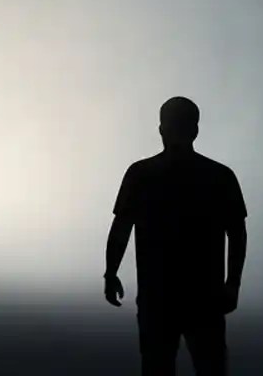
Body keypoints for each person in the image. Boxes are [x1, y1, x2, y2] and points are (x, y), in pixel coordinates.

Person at [103, 96, 247, 376]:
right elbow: (237, 233)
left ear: (160, 129)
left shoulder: (141, 174)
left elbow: (121, 227)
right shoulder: (219, 176)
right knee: (210, 367)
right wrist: (232, 284)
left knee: (159, 367)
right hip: (203, 297)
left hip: (160, 296)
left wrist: (111, 272)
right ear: (195, 129)